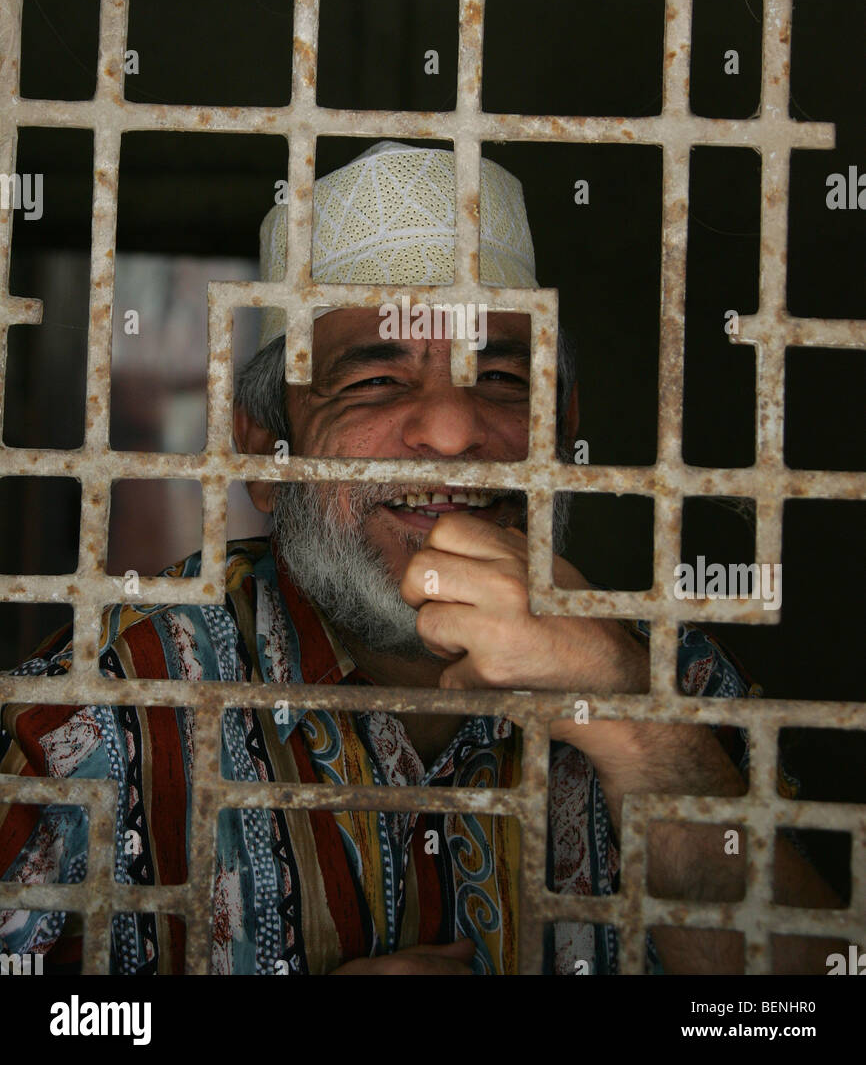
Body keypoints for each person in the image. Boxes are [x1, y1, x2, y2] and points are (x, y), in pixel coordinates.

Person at [0, 142, 841, 976]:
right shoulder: (105, 711)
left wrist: (631, 721)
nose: (453, 432)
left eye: (502, 379)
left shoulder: (675, 679)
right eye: (376, 383)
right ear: (264, 454)